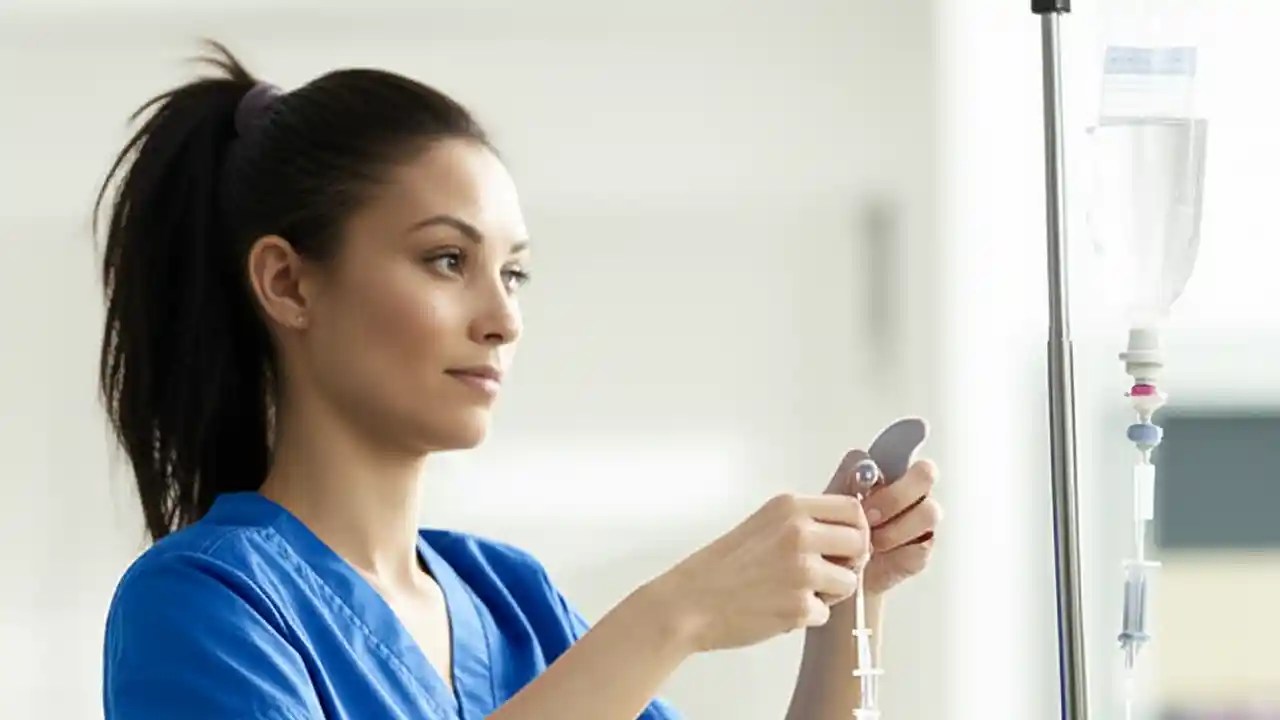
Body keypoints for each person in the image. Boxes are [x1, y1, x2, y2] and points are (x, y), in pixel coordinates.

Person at [95, 41, 943, 720]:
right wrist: (674, 614)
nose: (502, 318)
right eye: (447, 259)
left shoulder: (514, 602)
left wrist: (851, 609)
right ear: (287, 283)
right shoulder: (200, 606)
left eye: (515, 274)